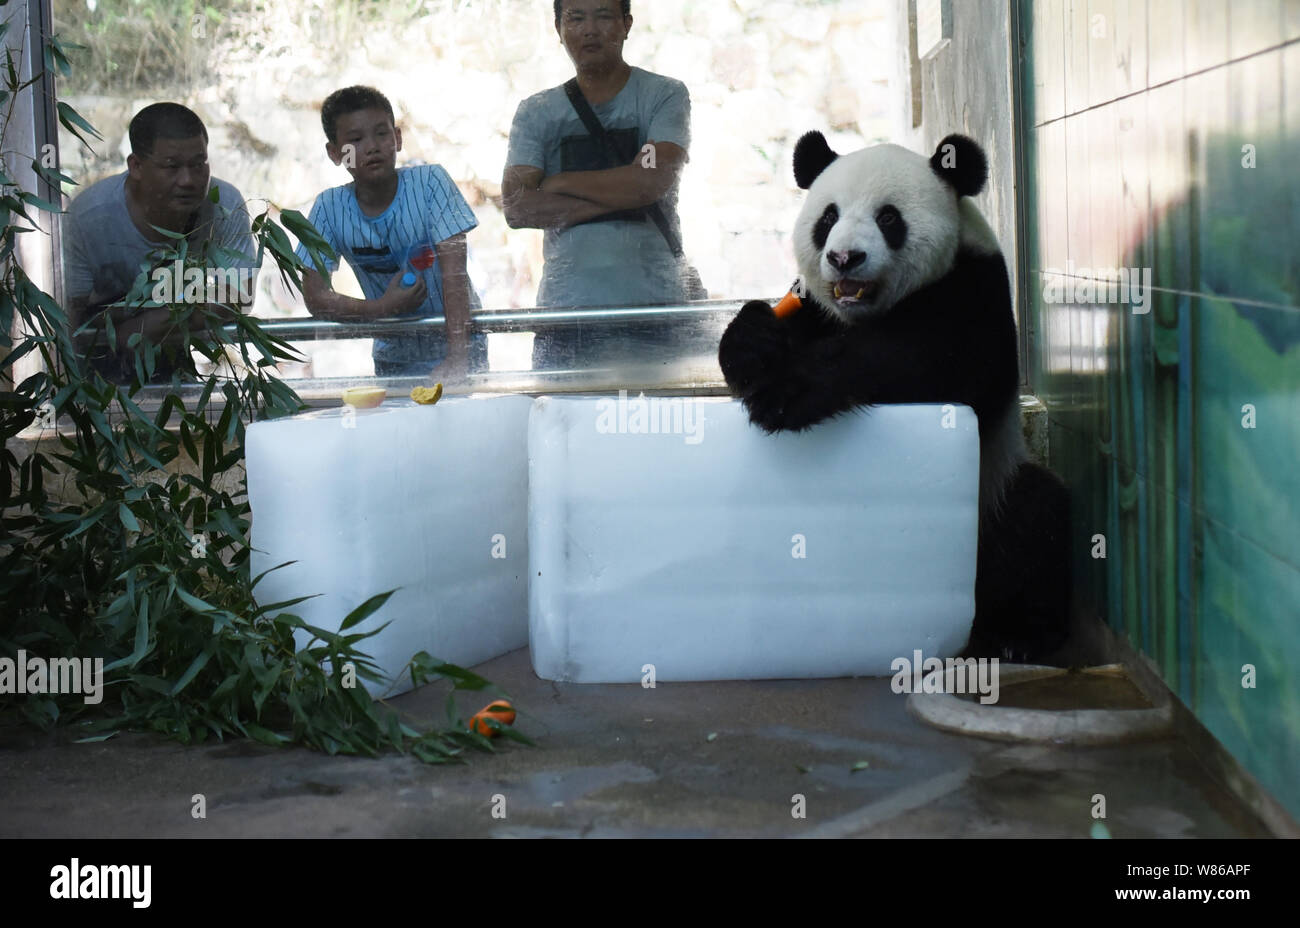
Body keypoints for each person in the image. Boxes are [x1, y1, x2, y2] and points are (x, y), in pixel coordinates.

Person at [502, 0, 695, 366]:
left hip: (655, 306)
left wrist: (560, 181)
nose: (590, 29)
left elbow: (650, 181)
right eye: (576, 18)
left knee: (659, 418)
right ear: (558, 29)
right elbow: (517, 206)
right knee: (563, 419)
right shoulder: (536, 112)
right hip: (566, 313)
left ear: (626, 24)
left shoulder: (664, 95)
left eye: (603, 16)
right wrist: (624, 192)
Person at [295, 86, 480, 380]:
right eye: (355, 140)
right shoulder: (328, 208)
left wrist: (458, 357)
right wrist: (382, 308)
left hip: (461, 344)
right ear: (333, 153)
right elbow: (315, 296)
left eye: (381, 134)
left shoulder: (431, 182)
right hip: (393, 356)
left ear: (397, 138)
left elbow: (454, 277)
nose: (371, 147)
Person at [62, 102, 257, 381]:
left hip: (176, 359)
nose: (188, 180)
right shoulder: (89, 219)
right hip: (96, 375)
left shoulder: (224, 204)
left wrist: (153, 323)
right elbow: (71, 316)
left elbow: (238, 294)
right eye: (171, 166)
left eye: (198, 164)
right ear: (136, 166)